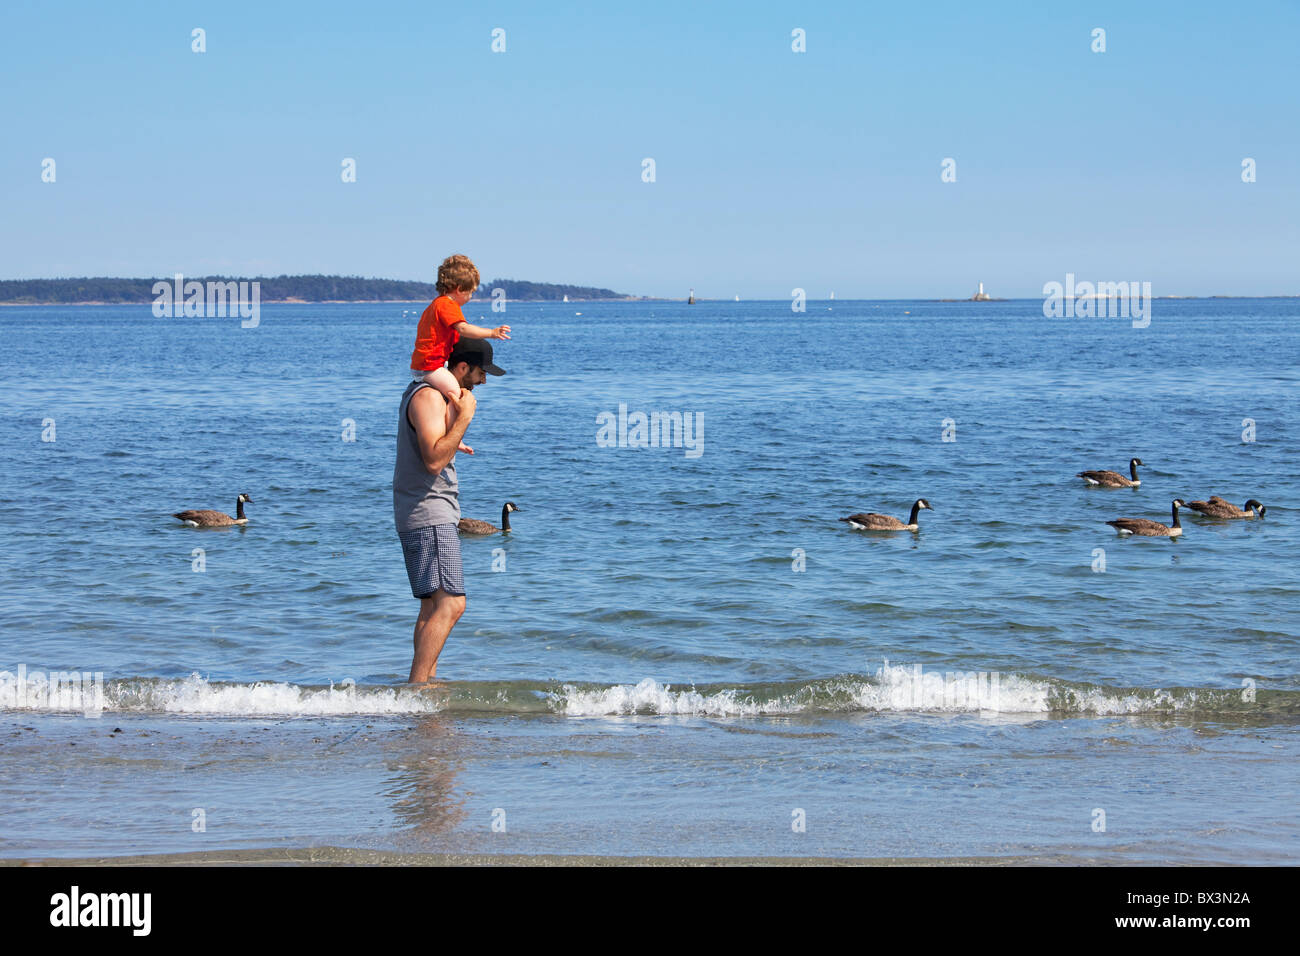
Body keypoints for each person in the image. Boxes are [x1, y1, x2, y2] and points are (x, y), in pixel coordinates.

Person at [393, 338, 506, 683]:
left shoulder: (430, 395)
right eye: (481, 372)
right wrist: (465, 418)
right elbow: (433, 460)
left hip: (421, 511)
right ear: (461, 367)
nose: (483, 380)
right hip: (429, 511)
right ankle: (417, 688)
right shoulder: (428, 397)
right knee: (453, 603)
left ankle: (424, 683)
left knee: (431, 605)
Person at [410, 254, 509, 455]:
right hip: (430, 366)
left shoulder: (436, 305)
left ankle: (452, 436)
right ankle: (454, 438)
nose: (471, 297)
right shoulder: (447, 305)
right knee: (456, 394)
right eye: (471, 292)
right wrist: (491, 333)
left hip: (427, 364)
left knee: (452, 393)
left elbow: (452, 337)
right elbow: (463, 329)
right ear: (459, 289)